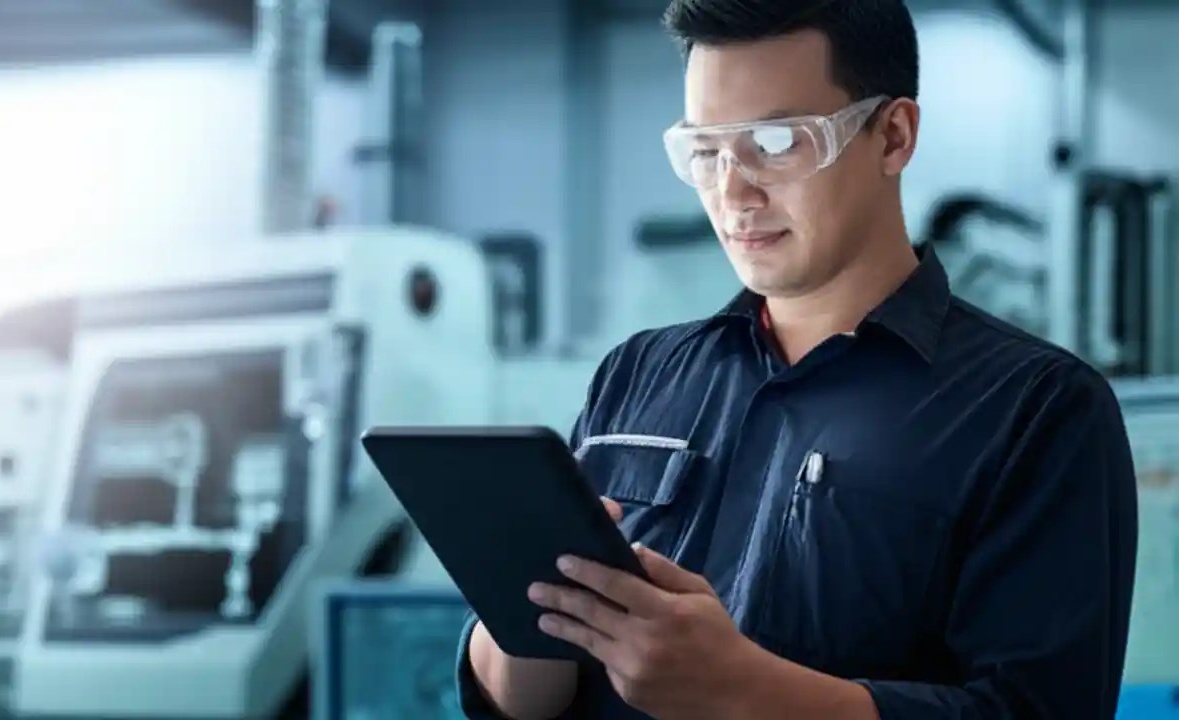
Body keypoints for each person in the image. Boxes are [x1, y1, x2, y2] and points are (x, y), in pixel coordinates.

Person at [456, 0, 1139, 718]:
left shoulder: (1035, 411)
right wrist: (521, 624)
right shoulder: (637, 376)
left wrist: (745, 691)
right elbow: (524, 698)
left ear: (893, 135)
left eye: (777, 142)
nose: (732, 191)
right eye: (707, 149)